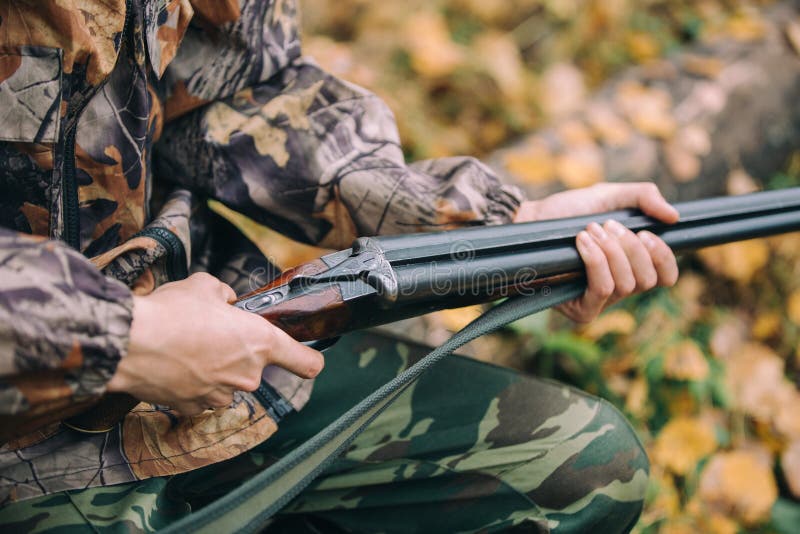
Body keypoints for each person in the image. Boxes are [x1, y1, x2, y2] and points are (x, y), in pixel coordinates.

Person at [0, 1, 678, 532]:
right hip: (26, 446)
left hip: (206, 352)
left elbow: (233, 87)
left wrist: (500, 229)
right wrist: (121, 339)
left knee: (583, 465)